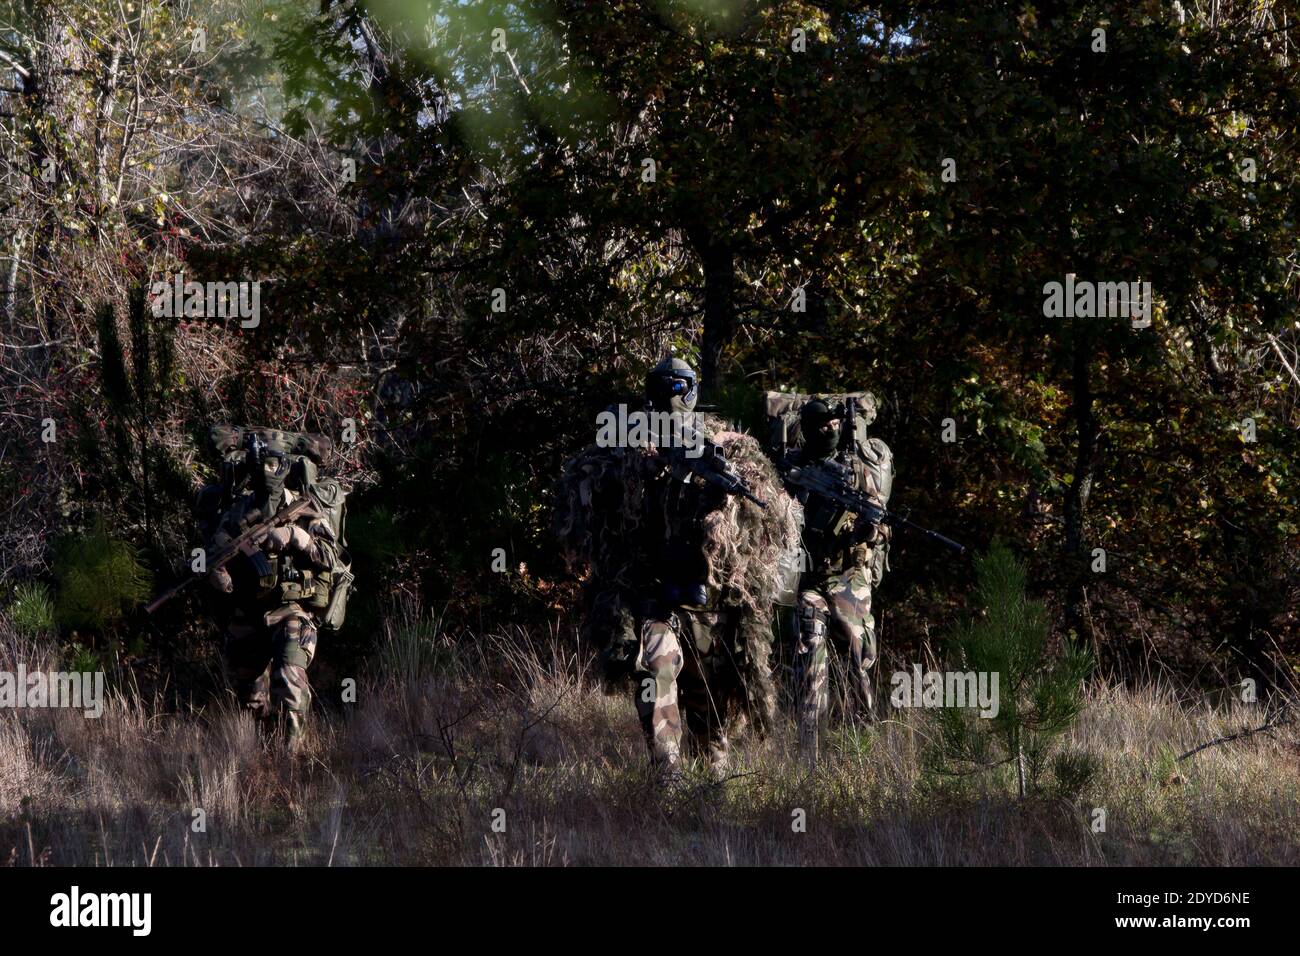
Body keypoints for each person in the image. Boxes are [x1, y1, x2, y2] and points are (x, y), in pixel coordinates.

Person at [556, 358, 796, 781]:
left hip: (712, 603)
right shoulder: (629, 448)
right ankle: (666, 774)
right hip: (655, 597)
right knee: (658, 668)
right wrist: (651, 470)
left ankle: (709, 795)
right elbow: (591, 493)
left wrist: (721, 493)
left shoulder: (727, 447)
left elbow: (768, 522)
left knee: (712, 723)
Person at [195, 426, 346, 753]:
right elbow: (210, 554)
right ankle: (258, 762)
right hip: (248, 610)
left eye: (274, 464)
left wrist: (297, 537)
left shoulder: (304, 508)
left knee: (290, 678)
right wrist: (215, 573)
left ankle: (291, 760)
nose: (267, 472)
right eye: (260, 464)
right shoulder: (238, 512)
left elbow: (331, 557)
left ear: (285, 466)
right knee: (250, 694)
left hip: (292, 610)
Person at [783, 399, 890, 760]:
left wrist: (868, 530)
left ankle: (862, 751)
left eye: (834, 422)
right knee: (809, 664)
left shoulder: (857, 470)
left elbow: (880, 525)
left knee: (859, 663)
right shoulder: (792, 468)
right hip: (808, 578)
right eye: (822, 424)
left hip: (848, 577)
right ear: (808, 428)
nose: (830, 428)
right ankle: (808, 755)